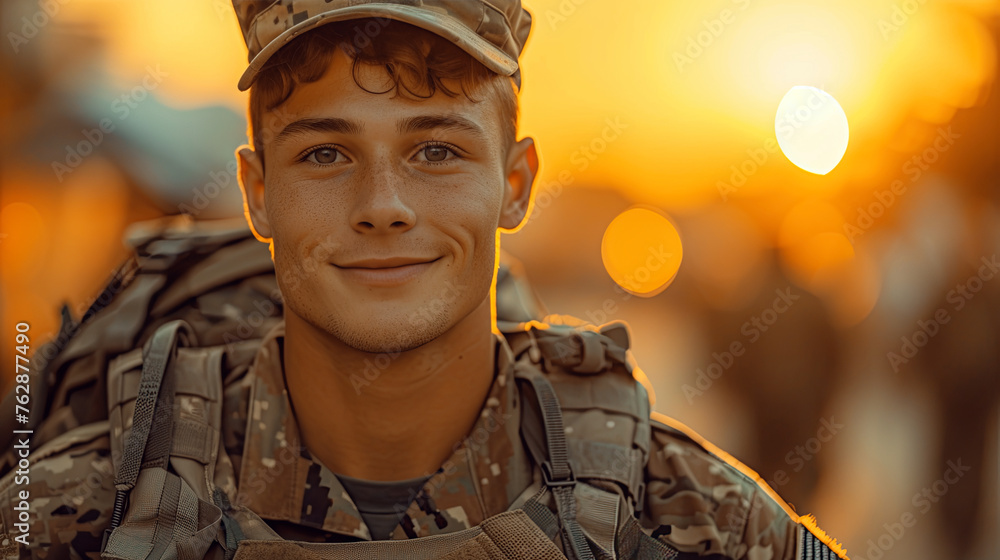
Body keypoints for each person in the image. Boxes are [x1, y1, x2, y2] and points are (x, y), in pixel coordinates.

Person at [0, 1, 850, 558]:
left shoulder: (700, 523)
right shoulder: (65, 517)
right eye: (326, 153)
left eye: (436, 150)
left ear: (515, 184)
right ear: (259, 193)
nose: (383, 206)